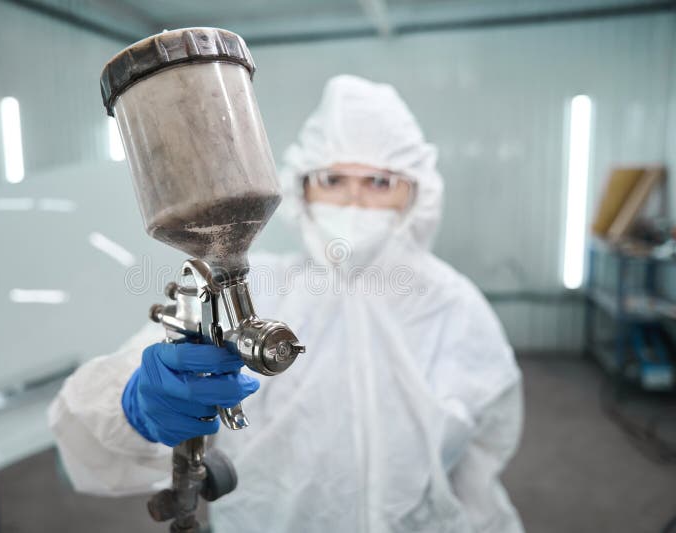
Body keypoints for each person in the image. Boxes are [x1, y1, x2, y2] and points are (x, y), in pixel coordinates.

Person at [48, 74, 524, 532]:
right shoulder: (252, 285)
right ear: (302, 187)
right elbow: (85, 427)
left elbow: (478, 473)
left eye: (379, 182)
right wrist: (132, 404)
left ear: (415, 193)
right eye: (332, 179)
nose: (354, 201)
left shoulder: (453, 306)